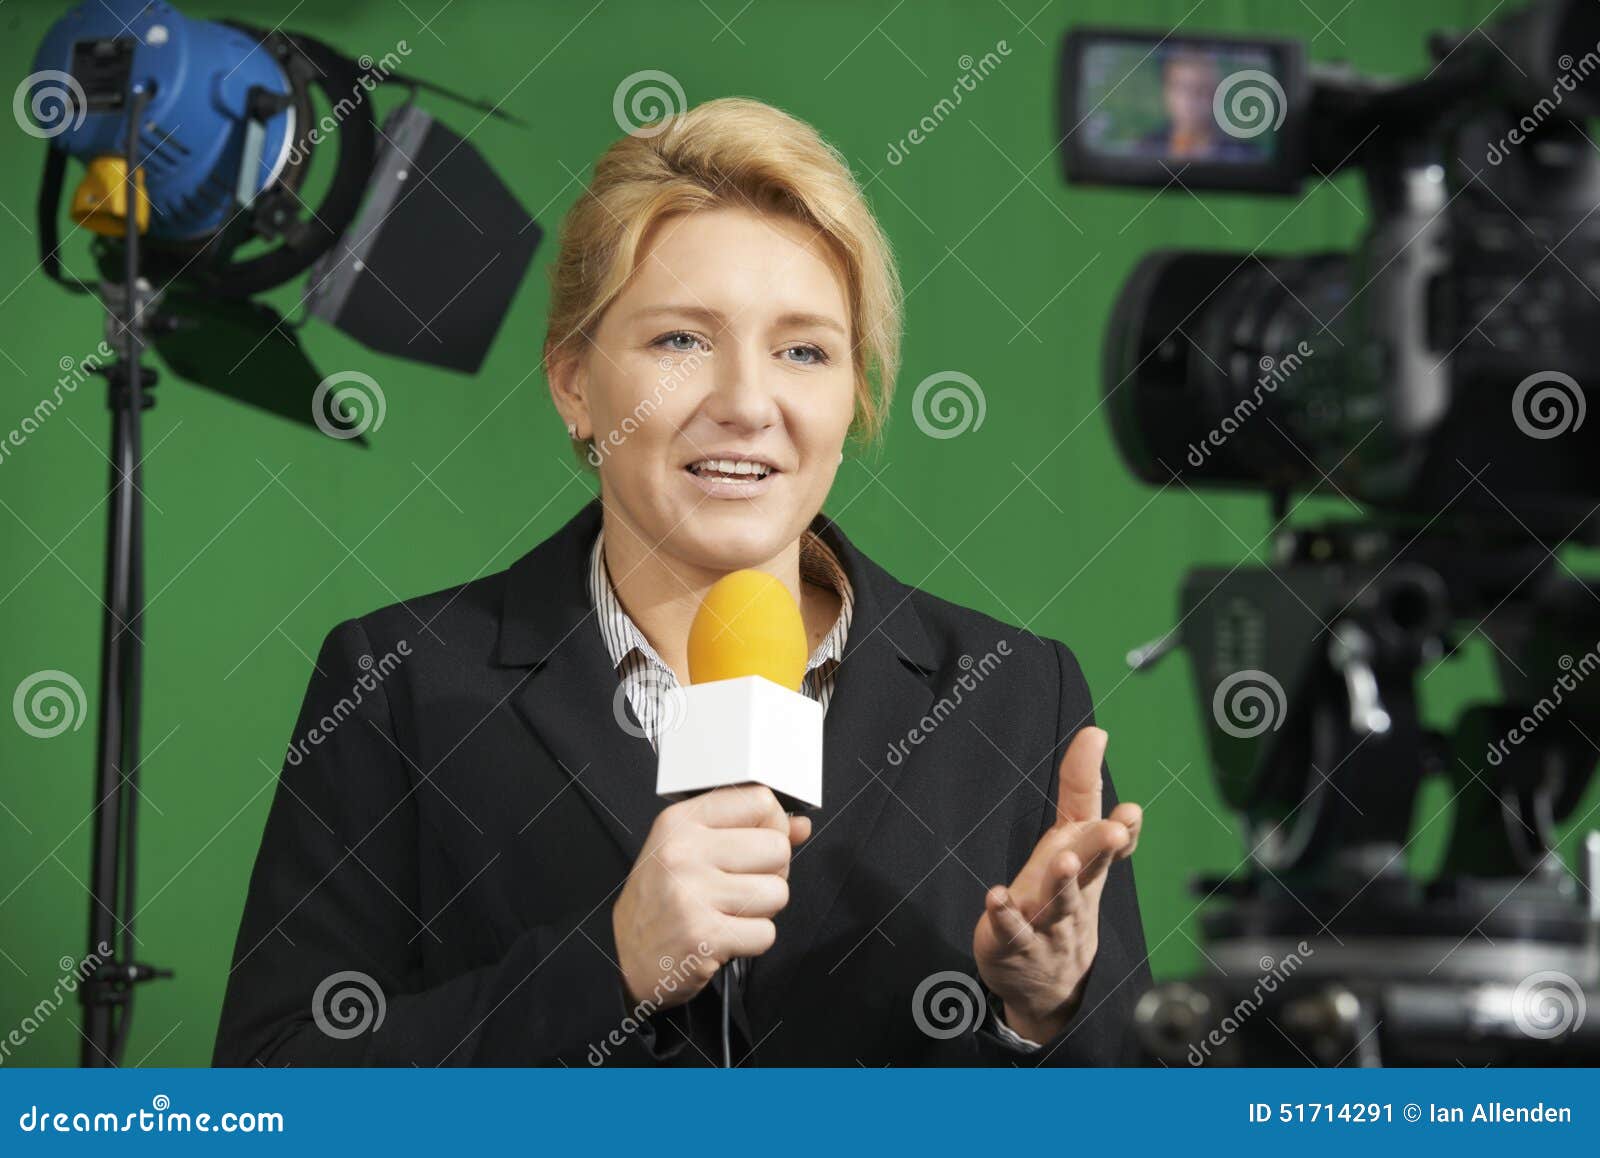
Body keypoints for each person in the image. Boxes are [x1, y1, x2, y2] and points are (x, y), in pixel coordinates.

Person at [212, 97, 1151, 1066]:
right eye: (681, 341)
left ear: (855, 394)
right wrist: (607, 965)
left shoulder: (1010, 694)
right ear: (574, 382)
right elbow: (273, 1085)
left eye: (803, 350)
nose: (747, 403)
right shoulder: (398, 685)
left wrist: (1040, 1010)